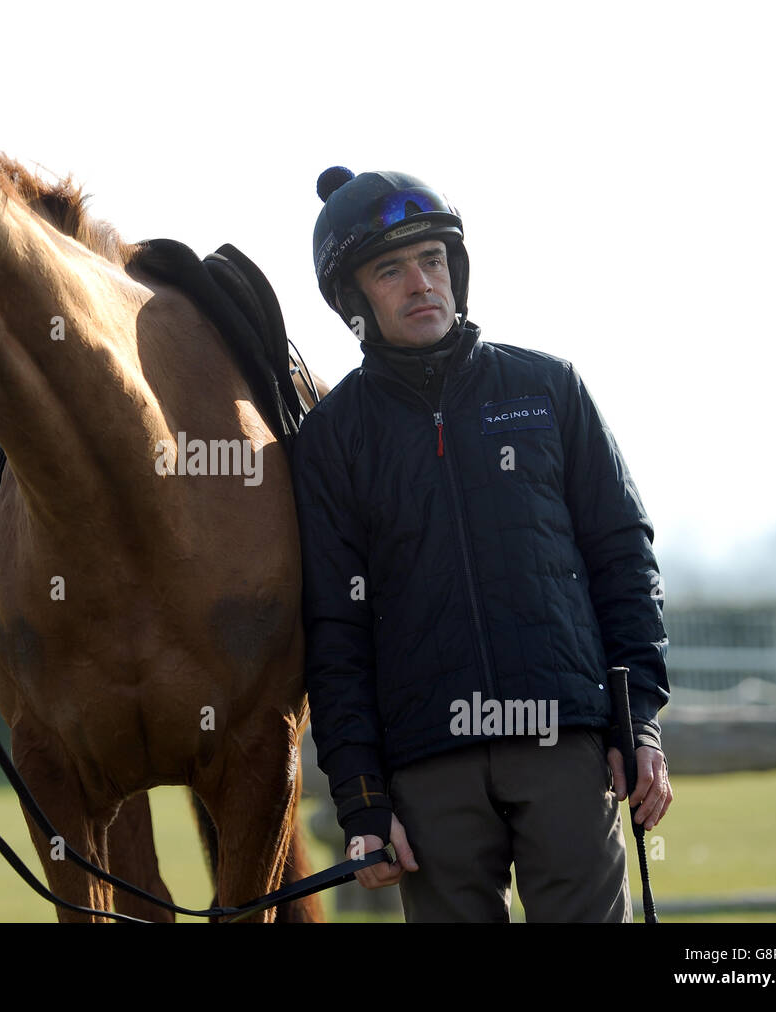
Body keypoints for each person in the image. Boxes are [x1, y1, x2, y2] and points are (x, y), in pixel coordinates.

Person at [292, 166, 673, 922]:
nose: (421, 283)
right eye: (391, 269)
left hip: (566, 746)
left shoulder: (549, 389)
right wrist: (364, 803)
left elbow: (623, 559)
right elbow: (336, 632)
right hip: (428, 774)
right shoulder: (330, 442)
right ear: (353, 300)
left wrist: (640, 723)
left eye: (433, 259)